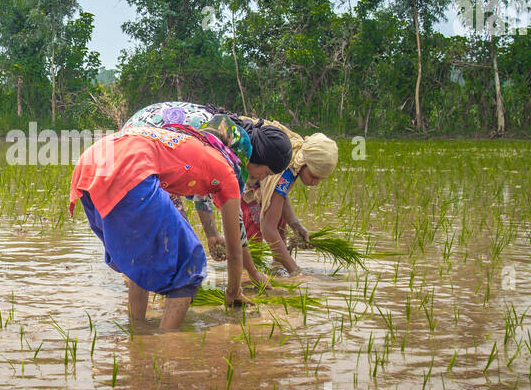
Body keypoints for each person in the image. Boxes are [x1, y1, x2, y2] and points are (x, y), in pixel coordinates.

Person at [69, 123, 250, 331]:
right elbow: (235, 252)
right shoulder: (226, 170)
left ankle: (138, 333)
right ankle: (166, 346)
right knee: (189, 264)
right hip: (128, 170)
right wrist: (233, 293)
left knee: (141, 259)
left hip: (89, 164)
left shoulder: (190, 144)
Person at [123, 101, 292, 261]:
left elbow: (201, 186)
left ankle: (140, 282)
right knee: (179, 242)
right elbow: (235, 222)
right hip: (139, 152)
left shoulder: (228, 132)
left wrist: (212, 234)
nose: (263, 178)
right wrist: (251, 271)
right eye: (266, 172)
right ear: (259, 156)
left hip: (134, 144)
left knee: (171, 240)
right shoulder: (231, 144)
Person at [243, 123, 339, 276]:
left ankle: (278, 267)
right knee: (254, 234)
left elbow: (279, 197)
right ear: (303, 163)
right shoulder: (288, 170)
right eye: (313, 176)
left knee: (280, 223)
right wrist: (296, 272)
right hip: (245, 185)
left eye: (320, 179)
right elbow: (268, 229)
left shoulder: (294, 162)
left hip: (256, 181)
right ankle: (247, 274)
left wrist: (295, 225)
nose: (315, 183)